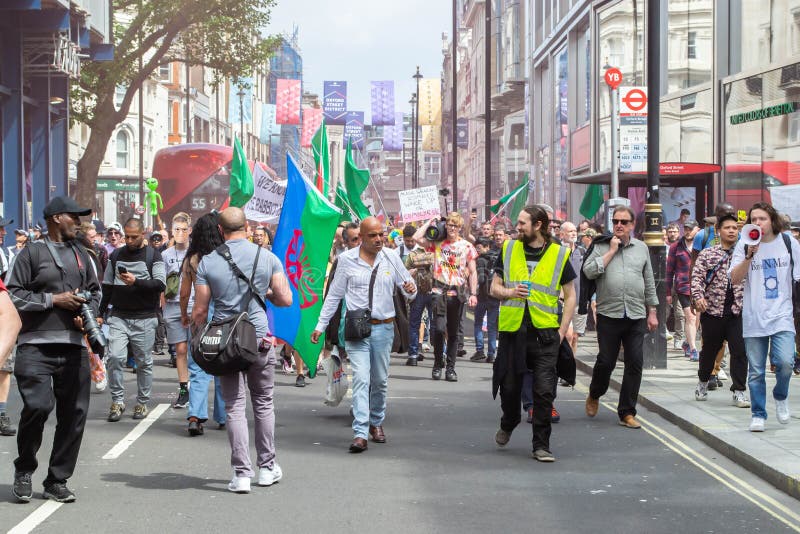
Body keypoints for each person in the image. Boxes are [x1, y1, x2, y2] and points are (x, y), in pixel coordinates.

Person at [6, 196, 100, 503]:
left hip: (73, 346)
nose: (79, 222)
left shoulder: (83, 255)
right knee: (38, 407)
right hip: (35, 346)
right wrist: (53, 301)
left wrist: (86, 315)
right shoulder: (31, 253)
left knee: (74, 414)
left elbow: (96, 293)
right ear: (56, 218)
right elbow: (13, 296)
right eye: (75, 217)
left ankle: (57, 479)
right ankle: (24, 469)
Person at [193, 207, 292, 492]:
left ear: (221, 231)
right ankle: (267, 467)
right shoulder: (267, 257)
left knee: (234, 406)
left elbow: (200, 310)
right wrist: (266, 292)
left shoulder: (208, 262)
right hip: (259, 338)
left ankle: (241, 474)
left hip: (226, 341)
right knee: (263, 403)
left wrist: (198, 338)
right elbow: (285, 299)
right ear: (247, 227)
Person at [312, 217, 416, 453]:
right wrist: (320, 326)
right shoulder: (347, 260)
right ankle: (360, 431)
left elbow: (408, 288)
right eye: (373, 235)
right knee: (361, 379)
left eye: (381, 234)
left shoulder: (391, 257)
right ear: (361, 238)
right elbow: (334, 296)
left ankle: (376, 421)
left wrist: (411, 289)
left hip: (384, 328)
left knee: (379, 381)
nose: (379, 239)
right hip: (357, 329)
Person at [491, 206, 576, 462]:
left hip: (545, 333)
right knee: (509, 388)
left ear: (538, 225)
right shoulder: (508, 249)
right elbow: (494, 287)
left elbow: (571, 296)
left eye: (522, 223)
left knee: (544, 391)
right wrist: (509, 292)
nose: (517, 227)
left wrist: (562, 331)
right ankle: (509, 421)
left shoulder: (560, 254)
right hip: (513, 331)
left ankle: (541, 445)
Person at [583, 205, 658, 429]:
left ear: (632, 225)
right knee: (606, 361)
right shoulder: (601, 246)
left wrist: (652, 311)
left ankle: (627, 412)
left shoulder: (641, 248)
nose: (619, 225)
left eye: (624, 222)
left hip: (635, 314)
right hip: (609, 313)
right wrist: (611, 251)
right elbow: (589, 271)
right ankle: (595, 393)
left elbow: (649, 281)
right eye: (615, 221)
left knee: (635, 363)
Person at [730, 202, 800, 432]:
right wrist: (749, 256)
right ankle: (758, 413)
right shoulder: (744, 244)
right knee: (756, 370)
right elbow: (735, 279)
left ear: (772, 220)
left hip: (782, 315)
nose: (758, 223)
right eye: (754, 219)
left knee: (786, 362)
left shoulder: (788, 242)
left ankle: (780, 396)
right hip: (754, 317)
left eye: (762, 219)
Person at [100, 218, 166, 422]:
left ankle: (142, 403)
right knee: (115, 358)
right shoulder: (116, 255)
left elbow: (160, 284)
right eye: (126, 236)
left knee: (143, 362)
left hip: (145, 318)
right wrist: (100, 313)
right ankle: (117, 401)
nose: (128, 240)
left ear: (142, 235)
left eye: (133, 237)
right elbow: (107, 287)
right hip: (119, 316)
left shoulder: (153, 255)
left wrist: (136, 281)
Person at [691, 213, 749, 406]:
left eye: (735, 228)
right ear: (718, 231)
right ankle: (703, 382)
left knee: (739, 351)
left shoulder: (744, 254)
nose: (732, 231)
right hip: (713, 311)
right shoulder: (708, 254)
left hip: (737, 311)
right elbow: (697, 277)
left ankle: (739, 391)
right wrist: (698, 297)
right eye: (727, 228)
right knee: (710, 350)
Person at [414, 213, 478, 382]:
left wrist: (473, 293)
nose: (452, 228)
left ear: (460, 228)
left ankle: (451, 368)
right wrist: (430, 221)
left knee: (454, 333)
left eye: (455, 226)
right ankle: (437, 365)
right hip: (438, 292)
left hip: (457, 294)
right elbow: (416, 237)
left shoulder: (466, 246)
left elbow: (473, 271)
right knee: (439, 329)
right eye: (449, 224)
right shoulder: (437, 243)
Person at [180, 212, 226, 436]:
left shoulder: (192, 260)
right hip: (224, 315)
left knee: (197, 366)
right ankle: (223, 415)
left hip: (199, 313)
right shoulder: (225, 257)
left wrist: (184, 315)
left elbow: (183, 293)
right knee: (223, 365)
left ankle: (195, 416)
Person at [162, 213, 192, 408]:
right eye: (176, 229)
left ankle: (197, 387)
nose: (180, 233)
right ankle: (184, 389)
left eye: (183, 229)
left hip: (194, 305)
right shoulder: (165, 255)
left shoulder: (198, 253)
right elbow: (161, 282)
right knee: (180, 349)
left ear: (189, 231)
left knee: (198, 351)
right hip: (173, 308)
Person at [667, 219, 700, 360]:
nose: (687, 231)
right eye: (685, 229)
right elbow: (669, 271)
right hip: (683, 287)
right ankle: (693, 349)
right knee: (690, 317)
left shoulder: (702, 245)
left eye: (690, 229)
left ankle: (687, 342)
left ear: (697, 230)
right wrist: (668, 292)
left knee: (697, 319)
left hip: (699, 287)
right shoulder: (676, 247)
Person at [404, 230, 435, 366]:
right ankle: (413, 354)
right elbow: (405, 274)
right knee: (416, 324)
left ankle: (440, 353)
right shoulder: (414, 255)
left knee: (437, 325)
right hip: (420, 293)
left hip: (434, 292)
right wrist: (416, 269)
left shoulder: (439, 252)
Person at [471, 237, 499, 363]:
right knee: (492, 327)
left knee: (478, 323)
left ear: (486, 246)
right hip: (495, 297)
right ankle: (491, 354)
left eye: (479, 248)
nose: (477, 250)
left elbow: (481, 279)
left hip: (482, 297)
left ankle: (480, 350)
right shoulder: (498, 258)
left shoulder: (480, 260)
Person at [560, 221, 586, 354]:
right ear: (562, 234)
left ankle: (571, 367)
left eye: (574, 231)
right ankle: (564, 368)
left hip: (580, 300)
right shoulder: (557, 251)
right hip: (564, 300)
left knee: (575, 337)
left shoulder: (582, 251)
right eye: (570, 231)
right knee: (567, 335)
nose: (574, 233)